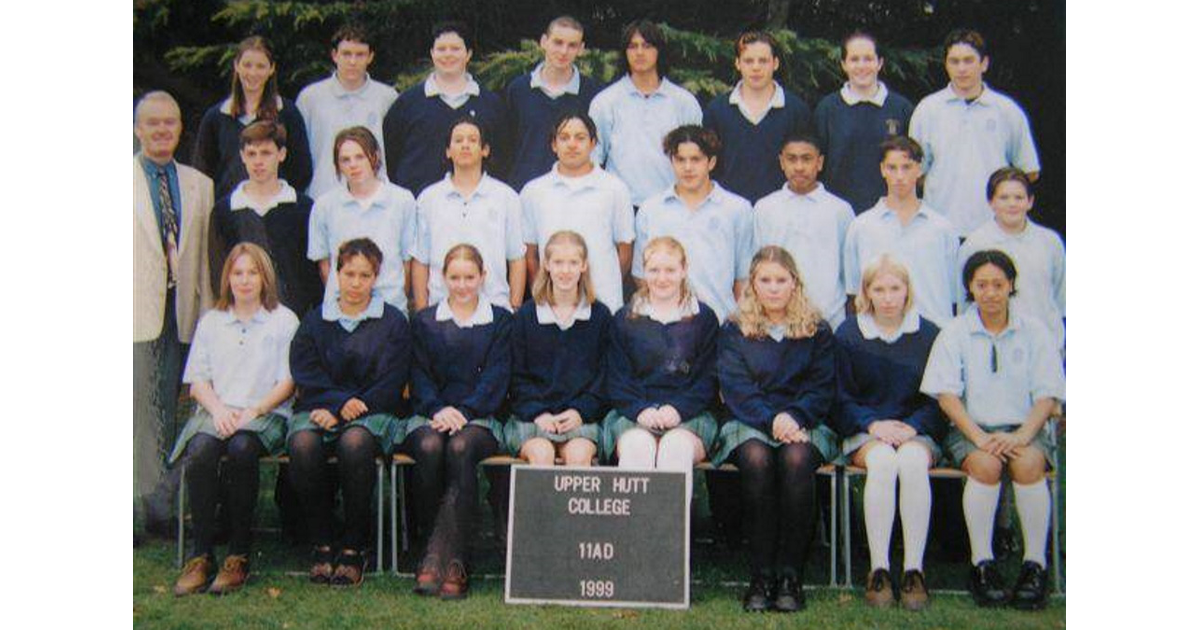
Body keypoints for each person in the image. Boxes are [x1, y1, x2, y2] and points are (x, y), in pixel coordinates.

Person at [920, 249, 1064, 610]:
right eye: (981, 284)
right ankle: (981, 564)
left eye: (998, 284)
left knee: (1028, 465)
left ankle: (1035, 565)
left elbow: (1048, 394)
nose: (990, 292)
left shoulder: (1034, 330)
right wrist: (980, 437)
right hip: (971, 430)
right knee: (986, 465)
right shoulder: (955, 332)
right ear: (969, 286)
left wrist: (1022, 436)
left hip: (1023, 429)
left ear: (1010, 285)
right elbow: (947, 396)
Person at [713, 246, 838, 613]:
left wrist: (794, 416)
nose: (773, 288)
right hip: (749, 418)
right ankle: (761, 574)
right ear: (752, 284)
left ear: (794, 283)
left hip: (806, 421)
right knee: (757, 458)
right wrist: (771, 420)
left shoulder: (817, 327)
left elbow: (822, 386)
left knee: (797, 460)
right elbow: (735, 387)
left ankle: (789, 576)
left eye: (781, 280)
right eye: (764, 280)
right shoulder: (735, 327)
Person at [170, 243, 300, 596]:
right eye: (238, 273)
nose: (244, 281)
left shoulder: (283, 320)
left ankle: (238, 555)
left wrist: (254, 411)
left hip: (265, 413)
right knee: (200, 451)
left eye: (252, 273)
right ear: (227, 277)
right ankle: (200, 555)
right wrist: (219, 410)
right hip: (218, 410)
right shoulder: (212, 321)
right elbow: (198, 381)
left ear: (264, 277)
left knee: (243, 449)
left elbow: (288, 382)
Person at [287, 238, 412, 587]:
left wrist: (346, 411)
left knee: (355, 443)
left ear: (376, 277)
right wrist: (335, 403)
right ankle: (323, 543)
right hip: (321, 406)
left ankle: (355, 547)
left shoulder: (392, 322)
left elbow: (393, 379)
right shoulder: (316, 320)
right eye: (349, 273)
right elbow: (304, 369)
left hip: (374, 409)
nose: (356, 283)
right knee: (302, 445)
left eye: (365, 275)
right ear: (336, 274)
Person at [402, 244, 513, 600]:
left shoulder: (500, 320)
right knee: (431, 445)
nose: (462, 285)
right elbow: (418, 375)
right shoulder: (425, 321)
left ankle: (452, 557)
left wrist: (464, 412)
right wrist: (438, 409)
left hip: (480, 417)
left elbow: (497, 377)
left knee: (462, 445)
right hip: (431, 413)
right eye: (454, 277)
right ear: (442, 278)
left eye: (470, 277)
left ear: (483, 277)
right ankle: (433, 548)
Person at [833, 255, 943, 610]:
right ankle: (878, 568)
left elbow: (938, 398)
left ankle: (914, 570)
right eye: (879, 289)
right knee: (881, 462)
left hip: (914, 429)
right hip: (867, 429)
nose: (888, 297)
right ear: (866, 292)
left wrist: (914, 427)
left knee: (911, 462)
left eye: (895, 288)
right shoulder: (849, 332)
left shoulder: (928, 333)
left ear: (908, 290)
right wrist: (872, 425)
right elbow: (839, 395)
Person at [134, 90, 214, 536]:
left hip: (180, 314)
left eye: (170, 122)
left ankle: (159, 507)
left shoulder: (199, 184)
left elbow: (200, 259)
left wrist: (205, 317)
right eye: (153, 123)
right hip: (133, 312)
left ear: (180, 127)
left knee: (166, 410)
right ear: (136, 128)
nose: (162, 130)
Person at [604, 237, 718, 491]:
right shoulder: (625, 318)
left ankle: (672, 531)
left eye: (670, 270)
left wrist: (677, 410)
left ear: (684, 270)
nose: (662, 278)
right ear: (643, 272)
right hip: (634, 414)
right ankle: (634, 531)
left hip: (689, 416)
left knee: (675, 449)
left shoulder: (703, 318)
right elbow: (617, 379)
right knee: (637, 449)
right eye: (654, 270)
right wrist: (641, 410)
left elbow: (707, 380)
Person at [909, 29, 1040, 236]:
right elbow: (914, 172)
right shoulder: (928, 110)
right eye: (954, 61)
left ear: (984, 63)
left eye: (969, 60)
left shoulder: (1006, 110)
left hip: (995, 229)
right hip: (940, 229)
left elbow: (1029, 170)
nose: (961, 68)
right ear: (946, 65)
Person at [506, 230, 611, 466]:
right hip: (533, 418)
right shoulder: (526, 315)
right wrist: (539, 413)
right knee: (541, 454)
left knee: (578, 455)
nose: (565, 270)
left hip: (581, 419)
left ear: (584, 266)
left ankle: (576, 505)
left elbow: (604, 377)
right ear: (546, 265)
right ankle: (537, 506)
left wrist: (580, 412)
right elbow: (516, 376)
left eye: (573, 262)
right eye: (558, 262)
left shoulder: (600, 316)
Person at [634, 125, 753, 323]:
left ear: (711, 162)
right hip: (667, 325)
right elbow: (640, 274)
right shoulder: (651, 210)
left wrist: (739, 324)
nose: (687, 167)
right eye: (680, 160)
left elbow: (743, 277)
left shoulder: (737, 209)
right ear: (671, 161)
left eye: (696, 159)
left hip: (721, 322)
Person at [521, 111, 635, 313]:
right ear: (554, 145)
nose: (572, 144)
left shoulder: (615, 189)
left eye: (580, 138)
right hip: (552, 306)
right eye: (564, 138)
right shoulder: (533, 191)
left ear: (593, 143)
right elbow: (530, 255)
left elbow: (625, 252)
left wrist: (602, 285)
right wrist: (544, 293)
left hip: (604, 303)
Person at [412, 117, 525, 312]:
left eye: (473, 140)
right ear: (448, 151)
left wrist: (514, 306)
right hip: (440, 310)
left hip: (494, 309)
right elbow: (421, 260)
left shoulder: (506, 196)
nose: (465, 145)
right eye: (458, 140)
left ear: (485, 150)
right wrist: (422, 311)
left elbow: (517, 258)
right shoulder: (429, 198)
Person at [844, 136, 958, 327]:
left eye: (906, 167)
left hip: (933, 335)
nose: (899, 176)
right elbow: (855, 293)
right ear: (882, 170)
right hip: (878, 336)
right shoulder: (861, 227)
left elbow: (955, 295)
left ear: (919, 169)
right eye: (892, 168)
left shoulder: (942, 228)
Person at [211, 121, 322, 316]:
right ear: (242, 156)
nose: (258, 162)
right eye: (252, 154)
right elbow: (218, 269)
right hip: (242, 318)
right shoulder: (225, 210)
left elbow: (312, 275)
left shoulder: (304, 208)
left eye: (266, 153)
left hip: (295, 317)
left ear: (282, 154)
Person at [383, 21, 507, 196]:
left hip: (476, 207)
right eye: (441, 49)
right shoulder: (408, 103)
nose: (448, 54)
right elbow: (391, 155)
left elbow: (503, 156)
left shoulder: (490, 104)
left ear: (468, 54)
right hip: (418, 206)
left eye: (455, 49)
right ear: (432, 53)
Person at [588, 20, 703, 207]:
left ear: (659, 51)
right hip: (621, 206)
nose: (639, 52)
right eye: (633, 46)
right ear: (625, 52)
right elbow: (594, 158)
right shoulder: (605, 102)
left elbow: (697, 158)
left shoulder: (684, 102)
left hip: (672, 204)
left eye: (647, 46)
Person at [308, 126, 416, 313]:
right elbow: (324, 264)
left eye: (360, 157)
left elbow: (408, 262)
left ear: (374, 157)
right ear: (338, 165)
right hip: (342, 311)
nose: (353, 165)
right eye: (345, 160)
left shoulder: (402, 200)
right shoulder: (325, 206)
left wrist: (395, 301)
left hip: (389, 307)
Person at [754, 132, 855, 329]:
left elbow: (849, 274)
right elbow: (758, 267)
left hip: (829, 319)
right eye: (792, 159)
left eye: (806, 159)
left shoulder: (840, 210)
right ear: (782, 162)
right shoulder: (765, 208)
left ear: (820, 162)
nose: (799, 167)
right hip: (777, 322)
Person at [959, 167, 1065, 354]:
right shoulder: (975, 244)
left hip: (1045, 348)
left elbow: (1061, 296)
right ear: (991, 202)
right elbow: (965, 302)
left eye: (1018, 198)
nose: (1012, 204)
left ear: (1030, 202)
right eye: (1004, 198)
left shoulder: (1049, 242)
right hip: (993, 348)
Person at [192, 36, 313, 198]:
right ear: (236, 66)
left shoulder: (288, 113)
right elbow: (202, 171)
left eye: (261, 66)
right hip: (231, 212)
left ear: (271, 69)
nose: (253, 73)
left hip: (277, 211)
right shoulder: (216, 117)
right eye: (247, 65)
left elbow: (302, 170)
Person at [702, 31, 811, 203]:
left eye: (763, 61)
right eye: (748, 60)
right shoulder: (717, 110)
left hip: (782, 210)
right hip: (729, 211)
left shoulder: (797, 111)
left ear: (775, 63)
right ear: (738, 63)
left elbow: (806, 165)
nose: (756, 67)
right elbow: (708, 167)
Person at [812, 32, 913, 214]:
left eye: (868, 59)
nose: (861, 66)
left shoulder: (901, 108)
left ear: (880, 63)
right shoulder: (827, 109)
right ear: (843, 64)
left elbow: (912, 165)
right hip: (838, 212)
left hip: (890, 213)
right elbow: (817, 165)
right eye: (854, 59)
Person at [297, 24, 398, 199]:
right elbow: (298, 154)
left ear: (370, 57)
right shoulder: (310, 98)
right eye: (346, 54)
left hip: (375, 198)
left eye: (360, 54)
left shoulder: (387, 98)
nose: (353, 61)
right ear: (334, 55)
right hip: (323, 196)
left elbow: (396, 151)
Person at [503, 15, 602, 191]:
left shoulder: (592, 93)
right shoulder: (518, 90)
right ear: (543, 42)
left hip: (575, 192)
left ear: (581, 49)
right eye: (558, 42)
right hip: (524, 191)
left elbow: (596, 149)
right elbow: (506, 146)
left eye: (572, 45)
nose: (564, 51)